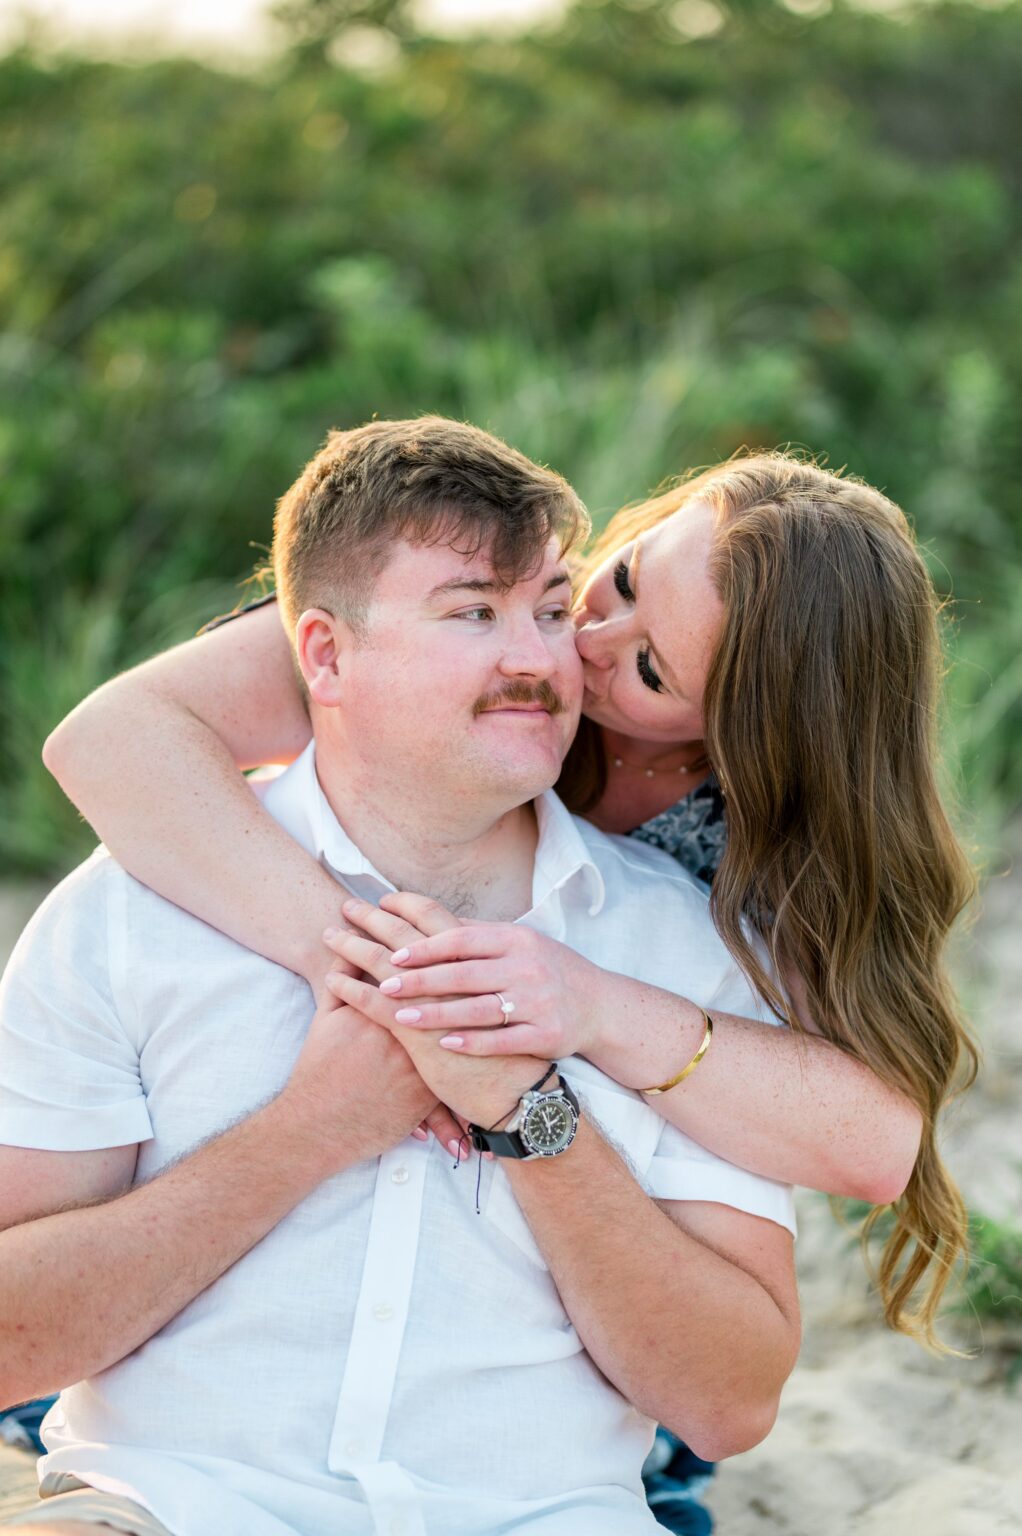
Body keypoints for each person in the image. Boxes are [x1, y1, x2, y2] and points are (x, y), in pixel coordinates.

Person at [40, 434, 977, 1534]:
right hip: (208, 1411)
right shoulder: (456, 622)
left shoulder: (750, 866)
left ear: (745, 732)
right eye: (617, 579)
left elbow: (873, 1142)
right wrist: (387, 979)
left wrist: (583, 1009)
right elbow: (111, 739)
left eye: (650, 666)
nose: (580, 641)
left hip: (559, 1369)